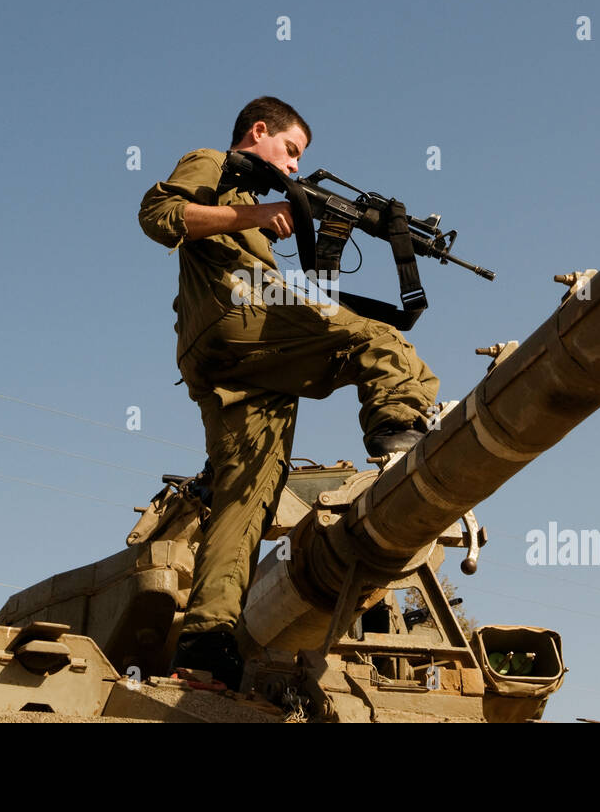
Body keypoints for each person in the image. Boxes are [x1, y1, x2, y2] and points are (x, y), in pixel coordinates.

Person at [137, 96, 439, 687]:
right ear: (259, 132)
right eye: (291, 151)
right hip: (234, 317)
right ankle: (402, 443)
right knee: (378, 342)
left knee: (247, 495)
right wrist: (257, 214)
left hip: (240, 359)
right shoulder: (216, 165)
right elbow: (158, 214)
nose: (295, 167)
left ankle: (204, 647)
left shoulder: (256, 199)